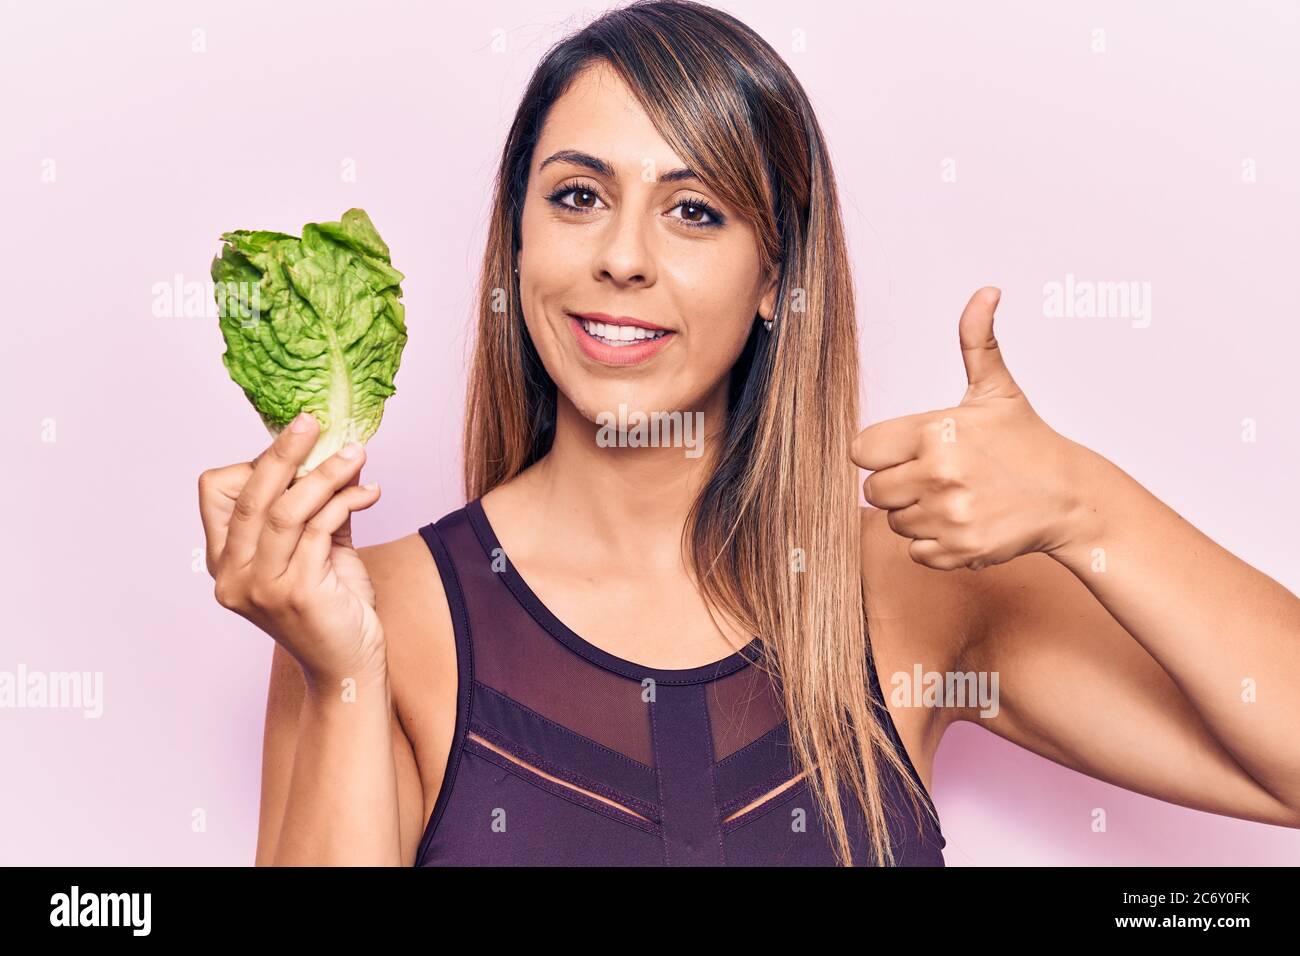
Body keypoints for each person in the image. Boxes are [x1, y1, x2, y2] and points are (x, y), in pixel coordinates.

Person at [197, 0, 1300, 866]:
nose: (621, 256)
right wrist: (340, 673)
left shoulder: (910, 589)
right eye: (576, 196)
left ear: (776, 276)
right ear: (519, 245)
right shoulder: (367, 614)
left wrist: (1088, 503)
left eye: (695, 210)